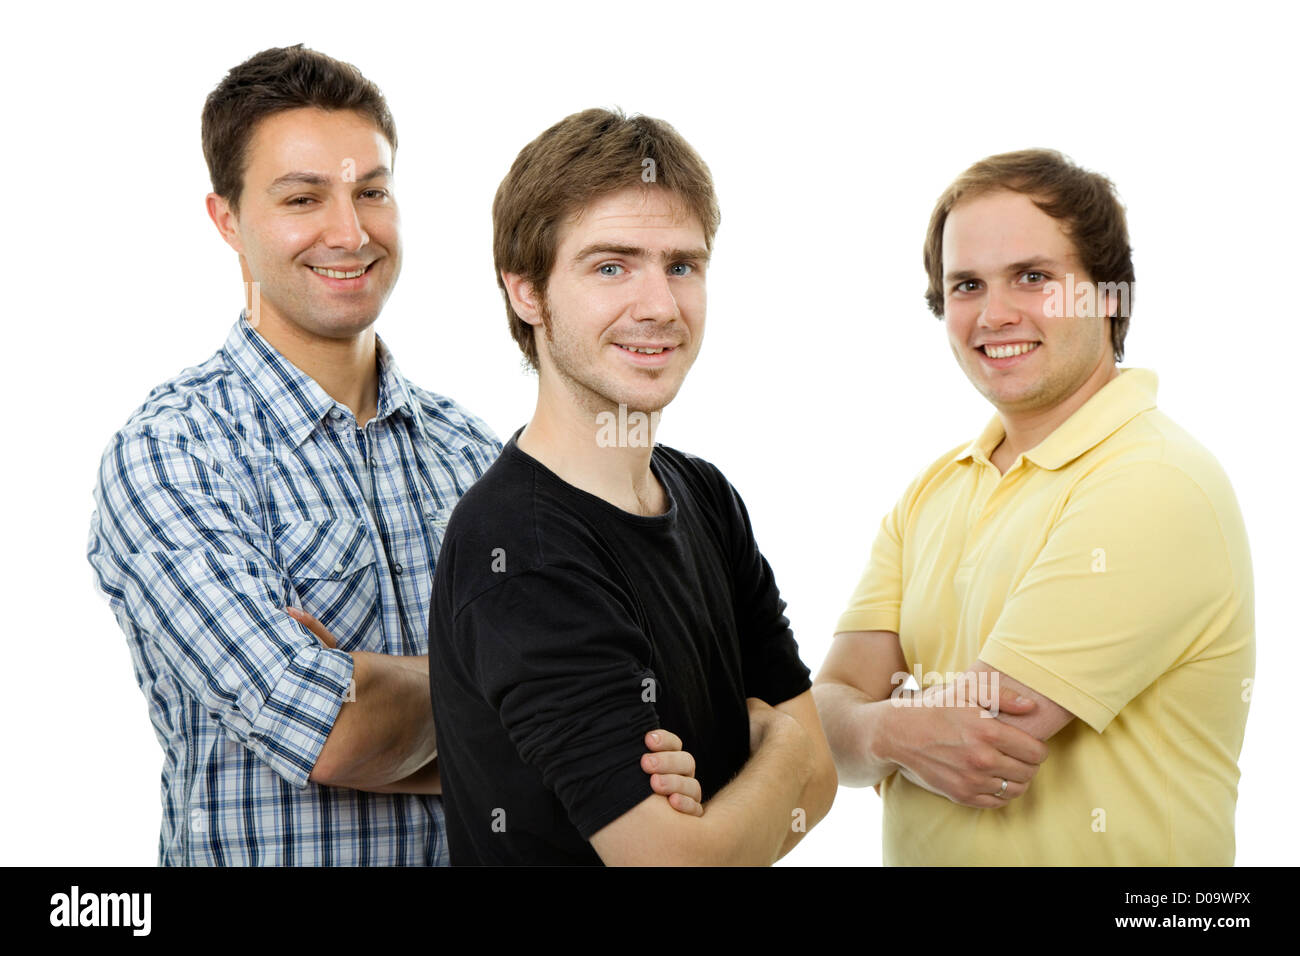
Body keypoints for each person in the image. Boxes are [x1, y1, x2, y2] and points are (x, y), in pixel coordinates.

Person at [86, 46, 699, 866]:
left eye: (371, 191)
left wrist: (378, 683)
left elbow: (628, 722)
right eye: (304, 197)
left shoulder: (477, 455)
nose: (350, 230)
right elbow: (332, 731)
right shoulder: (171, 455)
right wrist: (530, 700)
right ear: (226, 218)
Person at [813, 149, 1255, 865]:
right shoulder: (935, 489)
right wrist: (882, 732)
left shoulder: (1154, 480)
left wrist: (872, 720)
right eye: (966, 285)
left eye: (1033, 277)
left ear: (1108, 295)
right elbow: (824, 721)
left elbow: (982, 731)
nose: (994, 314)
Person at [426, 108, 838, 866]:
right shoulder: (520, 547)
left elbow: (826, 780)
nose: (658, 305)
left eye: (681, 265)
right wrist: (778, 746)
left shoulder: (706, 497)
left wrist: (732, 810)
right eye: (611, 266)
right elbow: (683, 859)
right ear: (526, 292)